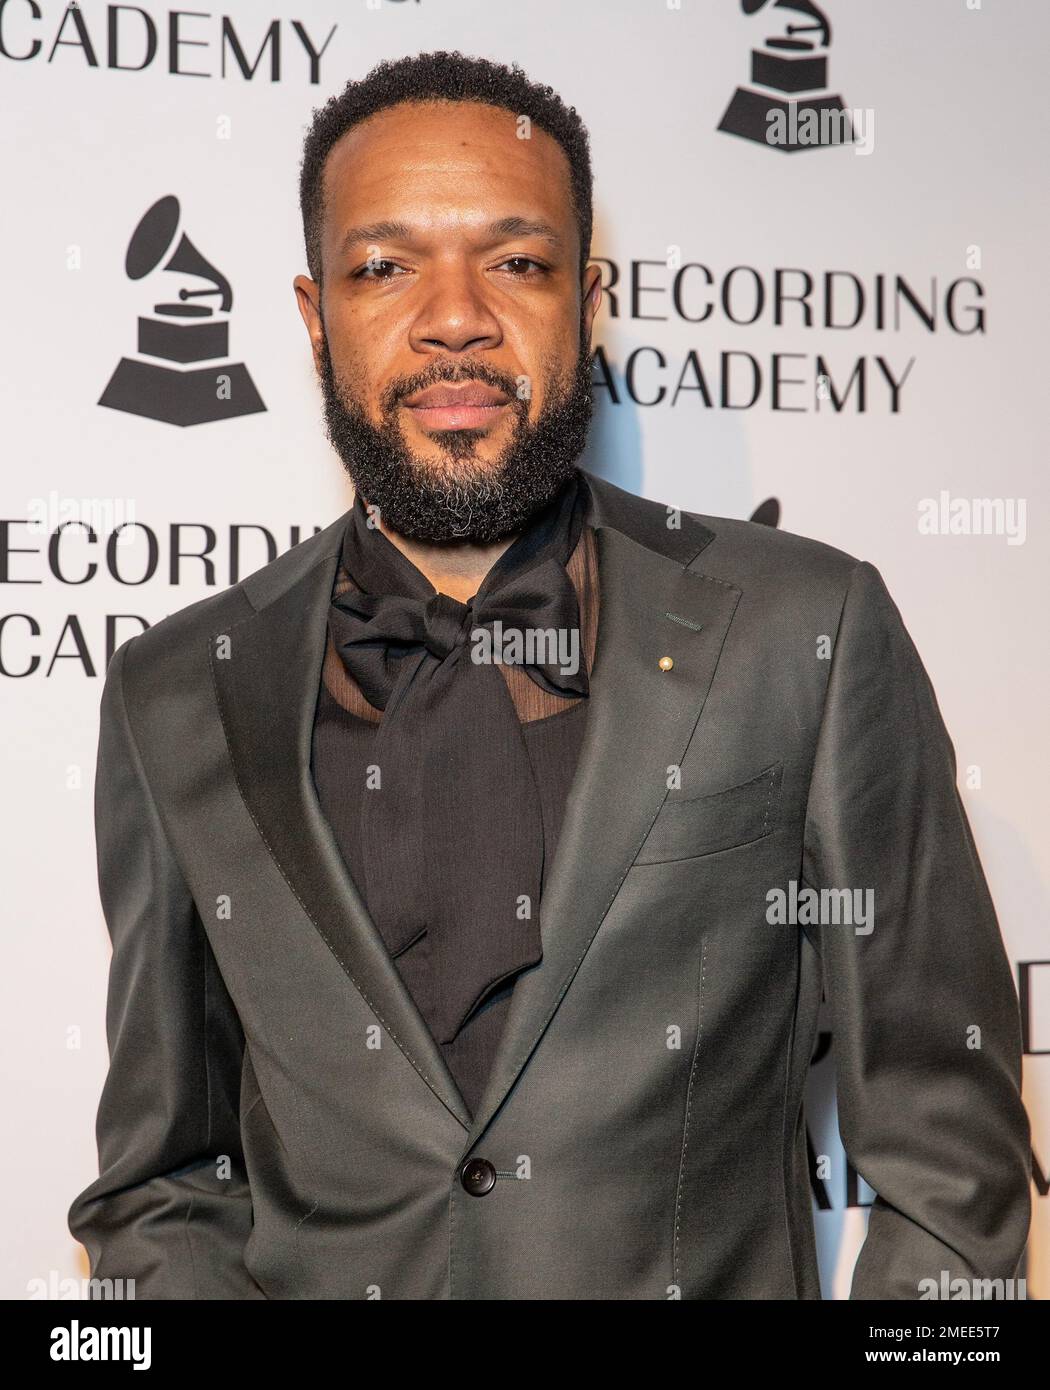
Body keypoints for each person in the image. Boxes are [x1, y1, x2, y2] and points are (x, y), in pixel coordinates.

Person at [68, 49, 1030, 1300]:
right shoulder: (180, 687)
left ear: (589, 299)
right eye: (385, 266)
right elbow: (161, 1177)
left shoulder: (806, 628)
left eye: (516, 262)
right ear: (315, 316)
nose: (455, 316)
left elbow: (948, 1143)